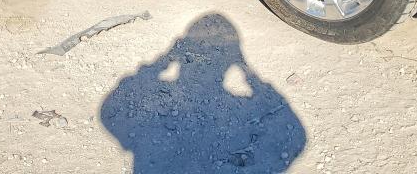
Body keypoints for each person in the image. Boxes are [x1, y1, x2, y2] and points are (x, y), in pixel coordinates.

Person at [101, 13, 306, 173]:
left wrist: (158, 64)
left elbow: (109, 110)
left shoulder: (159, 98)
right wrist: (252, 77)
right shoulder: (238, 108)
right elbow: (298, 136)